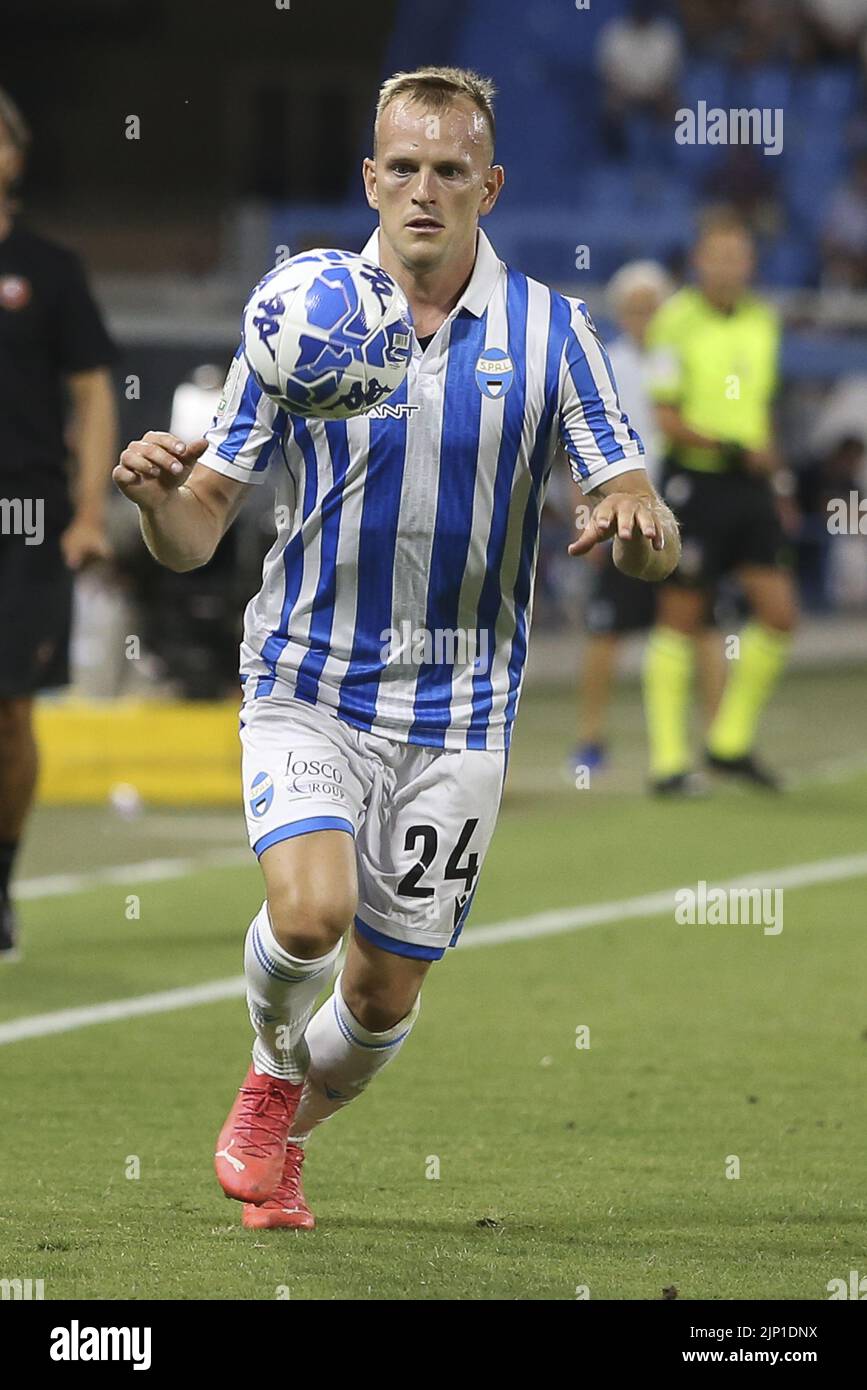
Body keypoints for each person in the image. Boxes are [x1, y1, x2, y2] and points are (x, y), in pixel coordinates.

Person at [114, 66, 680, 1231]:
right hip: (306, 680)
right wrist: (154, 503)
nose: (424, 191)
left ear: (491, 184)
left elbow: (637, 516)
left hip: (460, 713)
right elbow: (197, 532)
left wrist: (640, 531)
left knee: (376, 1008)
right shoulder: (298, 313)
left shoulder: (554, 333)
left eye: (450, 172)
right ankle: (273, 1073)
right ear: (370, 177)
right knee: (311, 917)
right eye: (404, 169)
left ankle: (293, 1123)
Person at [0, 88, 118, 960]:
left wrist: (86, 512)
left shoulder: (50, 267)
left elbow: (91, 391)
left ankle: (0, 884)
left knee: (9, 712)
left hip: (26, 518)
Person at [643, 208, 797, 794]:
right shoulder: (674, 322)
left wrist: (773, 478)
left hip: (751, 487)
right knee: (682, 617)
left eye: (740, 255)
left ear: (751, 263)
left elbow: (760, 411)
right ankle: (668, 763)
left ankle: (729, 742)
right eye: (719, 255)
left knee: (779, 614)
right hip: (697, 482)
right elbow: (666, 416)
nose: (730, 266)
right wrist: (734, 448)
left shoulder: (763, 321)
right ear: (699, 260)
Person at [572, 259, 724, 774]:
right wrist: (588, 514)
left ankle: (716, 739)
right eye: (635, 309)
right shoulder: (603, 363)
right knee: (607, 628)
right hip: (623, 513)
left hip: (683, 504)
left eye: (652, 308)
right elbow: (580, 443)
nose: (644, 317)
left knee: (701, 621)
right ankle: (591, 739)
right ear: (620, 313)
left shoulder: (683, 361)